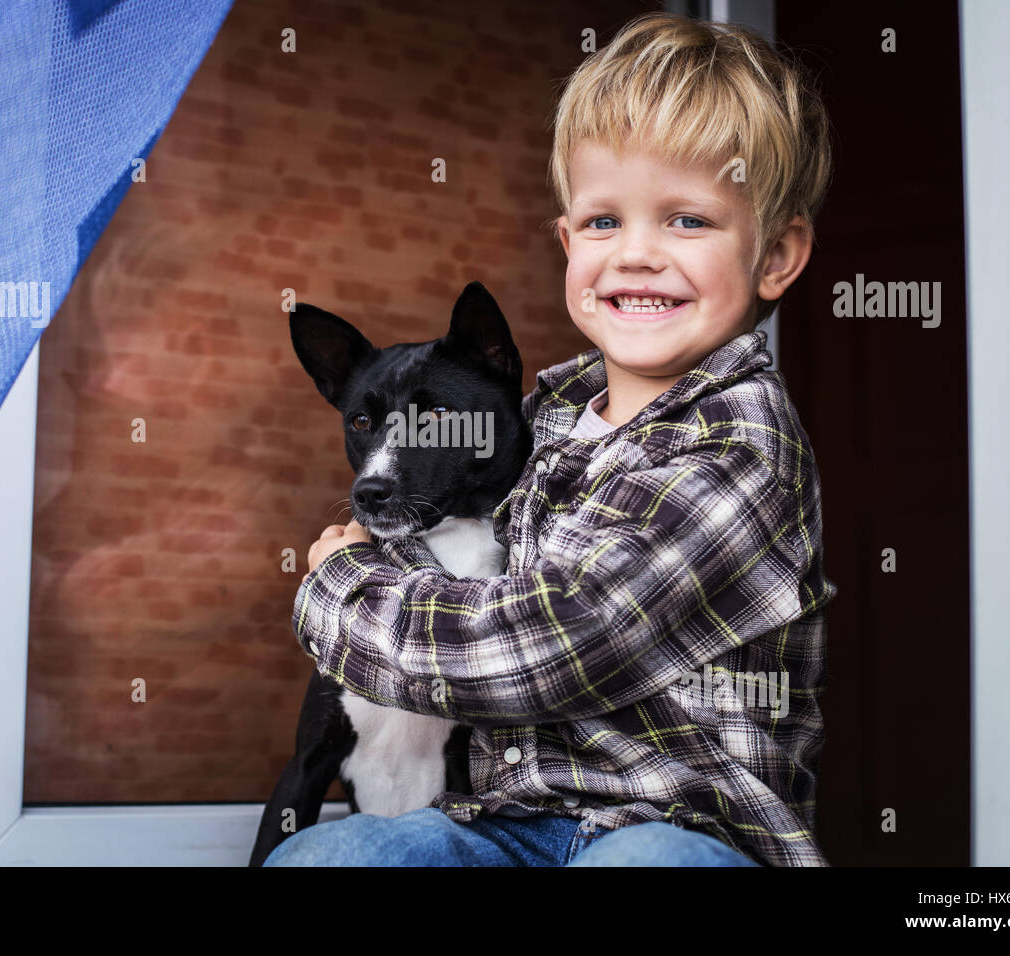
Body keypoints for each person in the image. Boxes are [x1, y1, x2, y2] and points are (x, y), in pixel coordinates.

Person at [266, 10, 836, 867]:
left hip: (676, 829)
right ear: (567, 243)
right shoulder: (542, 418)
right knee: (330, 859)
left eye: (687, 221)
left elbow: (560, 644)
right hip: (506, 819)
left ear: (777, 255)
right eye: (605, 222)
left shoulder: (739, 442)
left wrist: (340, 590)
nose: (637, 254)